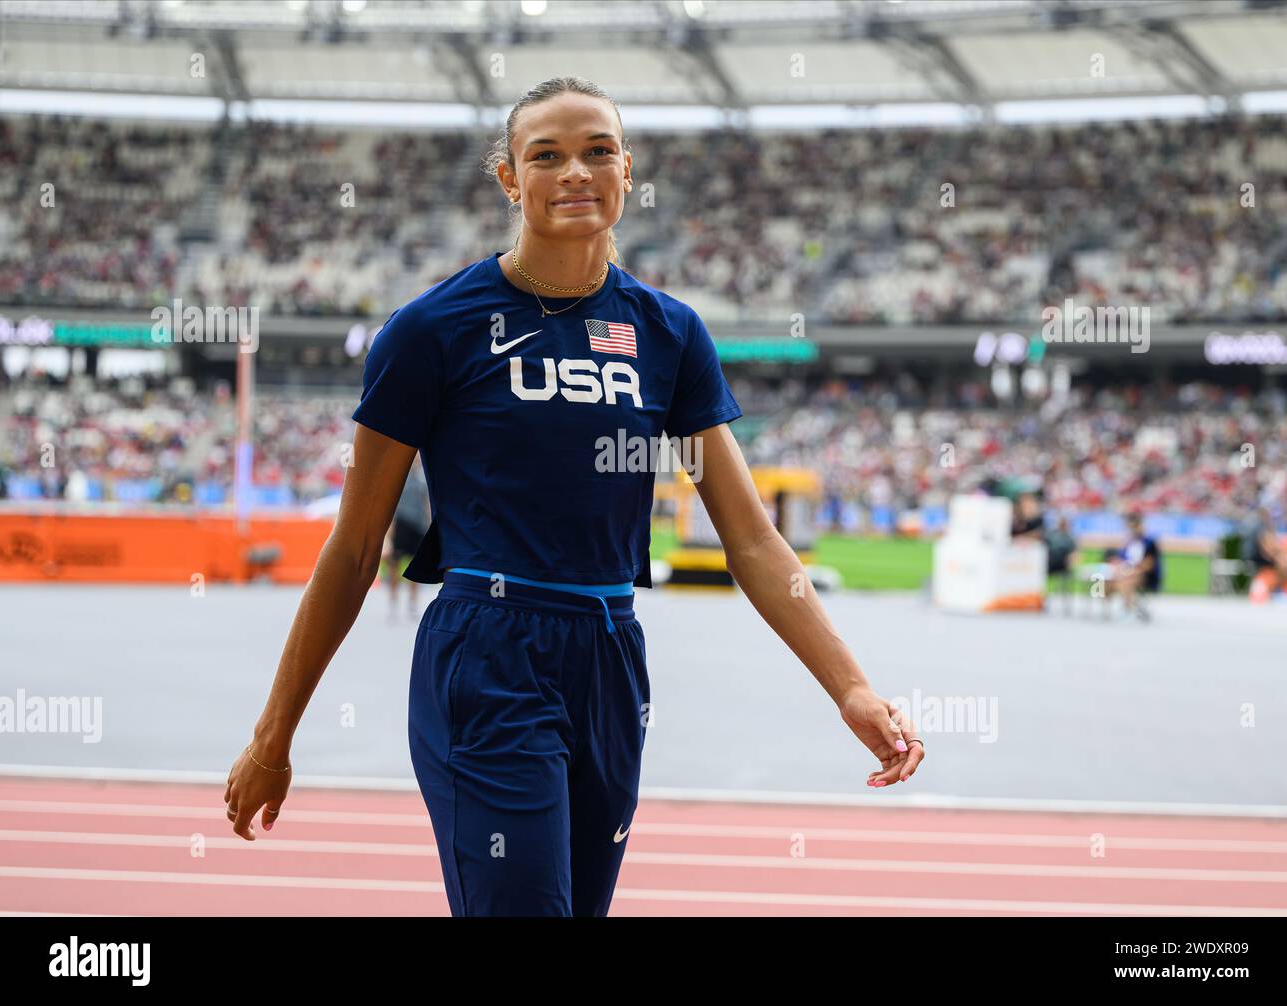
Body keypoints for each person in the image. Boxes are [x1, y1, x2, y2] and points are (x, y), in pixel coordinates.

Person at [223, 76, 923, 917]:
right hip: (486, 655)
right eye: (546, 156)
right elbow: (352, 545)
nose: (576, 173)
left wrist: (849, 686)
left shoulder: (670, 333)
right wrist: (275, 734)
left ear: (627, 171)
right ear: (509, 180)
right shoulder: (429, 331)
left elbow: (754, 543)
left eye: (598, 152)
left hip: (610, 658)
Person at [382, 460, 430, 622]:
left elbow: (426, 505)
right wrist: (388, 533)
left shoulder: (423, 479)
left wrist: (429, 526)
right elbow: (390, 506)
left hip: (418, 527)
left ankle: (412, 604)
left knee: (415, 567)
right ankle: (393, 603)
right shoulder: (397, 478)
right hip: (401, 526)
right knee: (394, 566)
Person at [1109, 510, 1161, 621]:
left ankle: (1127, 608)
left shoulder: (1149, 542)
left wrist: (1131, 569)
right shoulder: (1128, 541)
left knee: (1126, 581)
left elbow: (1149, 564)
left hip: (1145, 575)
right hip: (1126, 572)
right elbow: (1121, 559)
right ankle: (1105, 608)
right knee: (1102, 580)